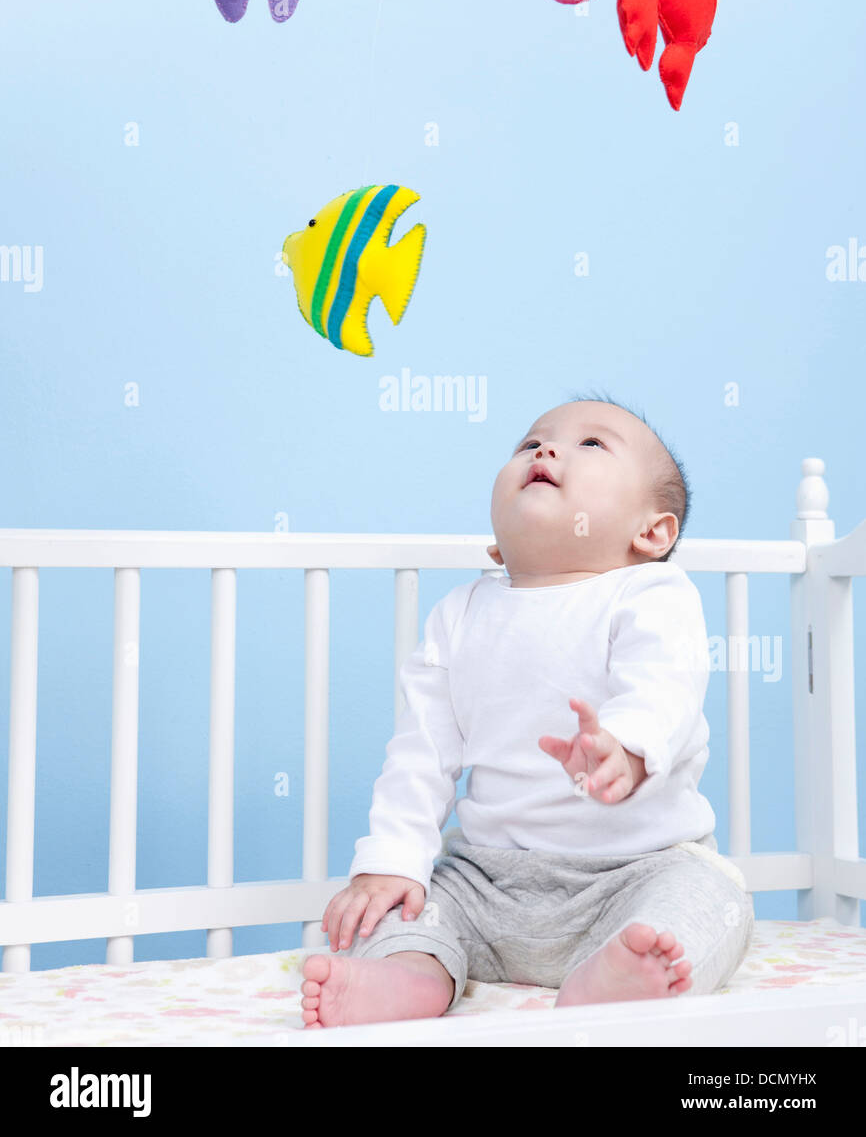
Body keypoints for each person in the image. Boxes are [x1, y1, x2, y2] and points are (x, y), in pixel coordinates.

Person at [301, 395, 754, 1028]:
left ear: (652, 532)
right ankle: (408, 978)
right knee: (407, 910)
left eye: (592, 444)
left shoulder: (651, 593)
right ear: (497, 542)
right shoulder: (458, 617)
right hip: (488, 881)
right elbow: (420, 754)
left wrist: (624, 746)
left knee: (711, 898)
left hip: (638, 869)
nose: (545, 450)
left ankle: (618, 978)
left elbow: (665, 686)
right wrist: (389, 861)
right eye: (530, 443)